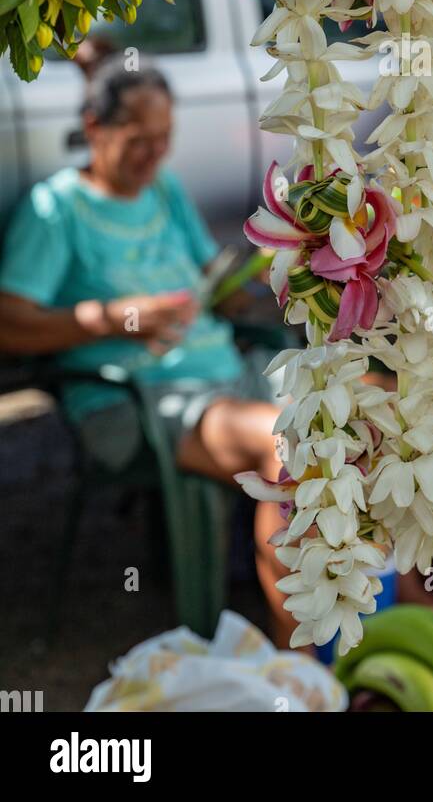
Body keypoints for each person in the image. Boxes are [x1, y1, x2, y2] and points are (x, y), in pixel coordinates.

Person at [0, 58, 295, 647]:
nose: (155, 156)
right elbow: (10, 325)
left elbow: (206, 281)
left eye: (164, 141)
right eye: (139, 141)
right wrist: (120, 319)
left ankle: (397, 608)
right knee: (286, 449)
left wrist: (234, 292)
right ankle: (299, 665)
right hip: (145, 399)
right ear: (93, 126)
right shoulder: (56, 210)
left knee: (366, 409)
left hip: (225, 374)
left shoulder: (163, 190)